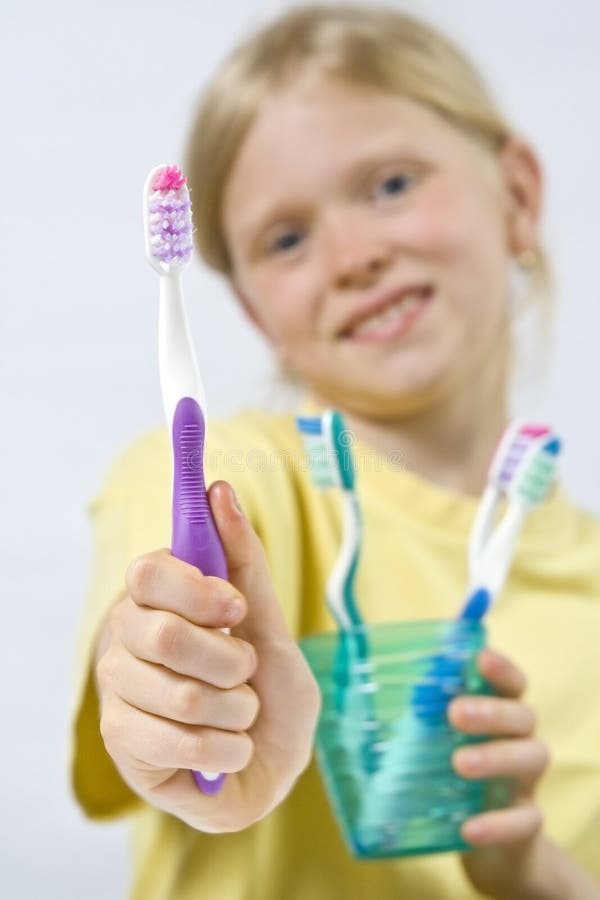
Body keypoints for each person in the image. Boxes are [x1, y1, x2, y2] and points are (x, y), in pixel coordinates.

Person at [71, 5, 600, 898]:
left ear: (516, 193)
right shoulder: (236, 476)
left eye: (391, 184)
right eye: (287, 239)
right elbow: (164, 569)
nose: (352, 256)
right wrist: (178, 708)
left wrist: (532, 874)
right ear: (254, 317)